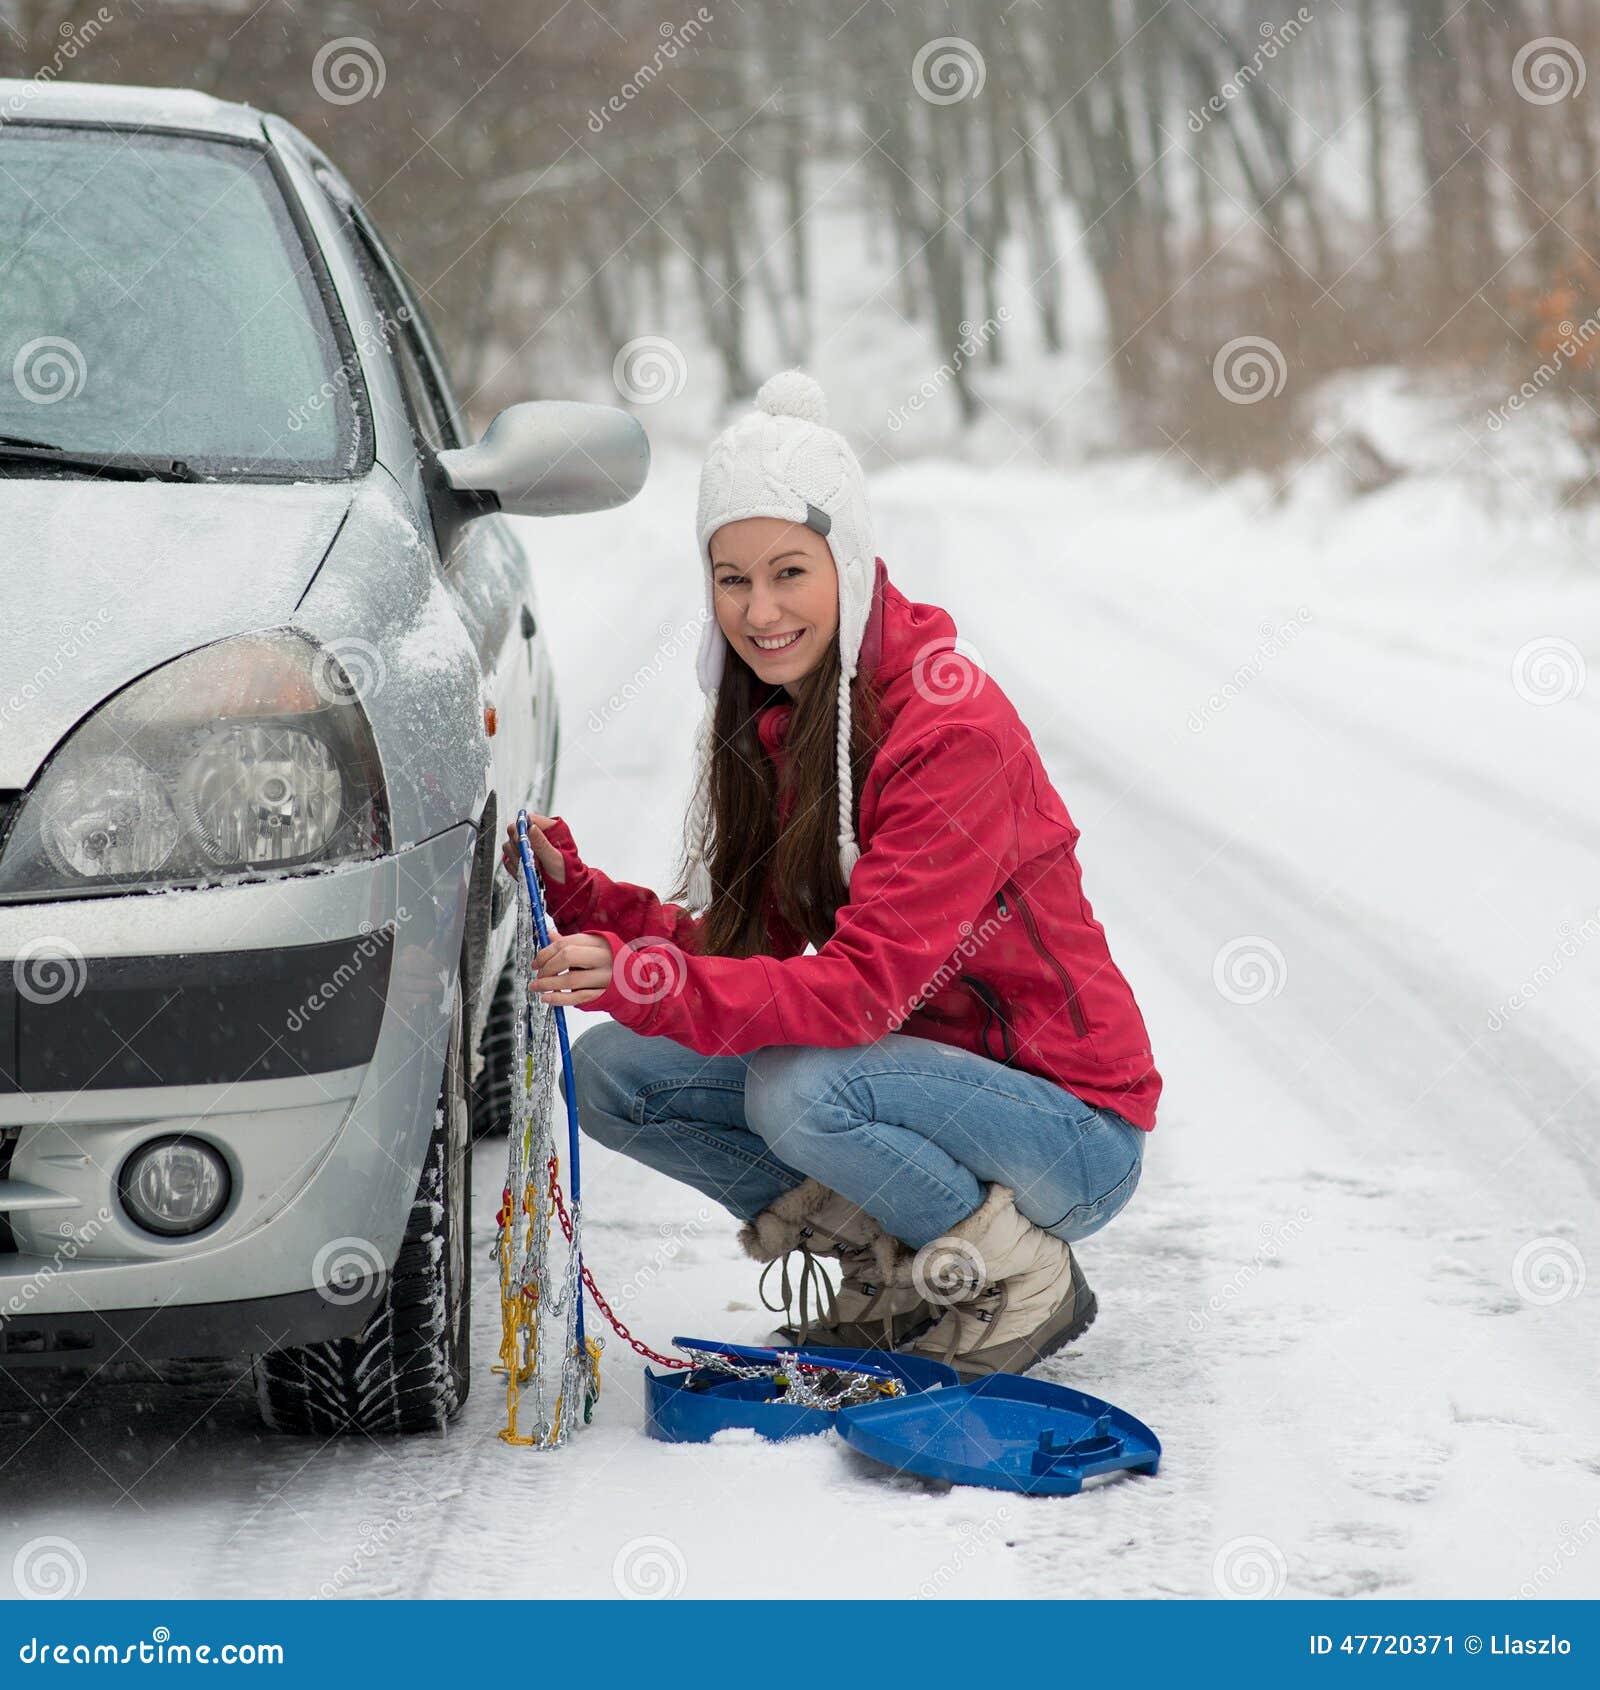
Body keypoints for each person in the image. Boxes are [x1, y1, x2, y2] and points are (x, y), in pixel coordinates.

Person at [500, 370, 1161, 1380]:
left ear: (846, 561)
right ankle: (884, 1268)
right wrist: (590, 904)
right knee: (616, 1075)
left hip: (1068, 1129)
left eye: (789, 572)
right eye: (732, 578)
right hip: (919, 1087)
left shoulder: (949, 728)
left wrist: (648, 978)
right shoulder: (789, 714)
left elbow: (857, 994)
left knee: (800, 1086)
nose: (759, 610)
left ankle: (1018, 1272)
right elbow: (744, 958)